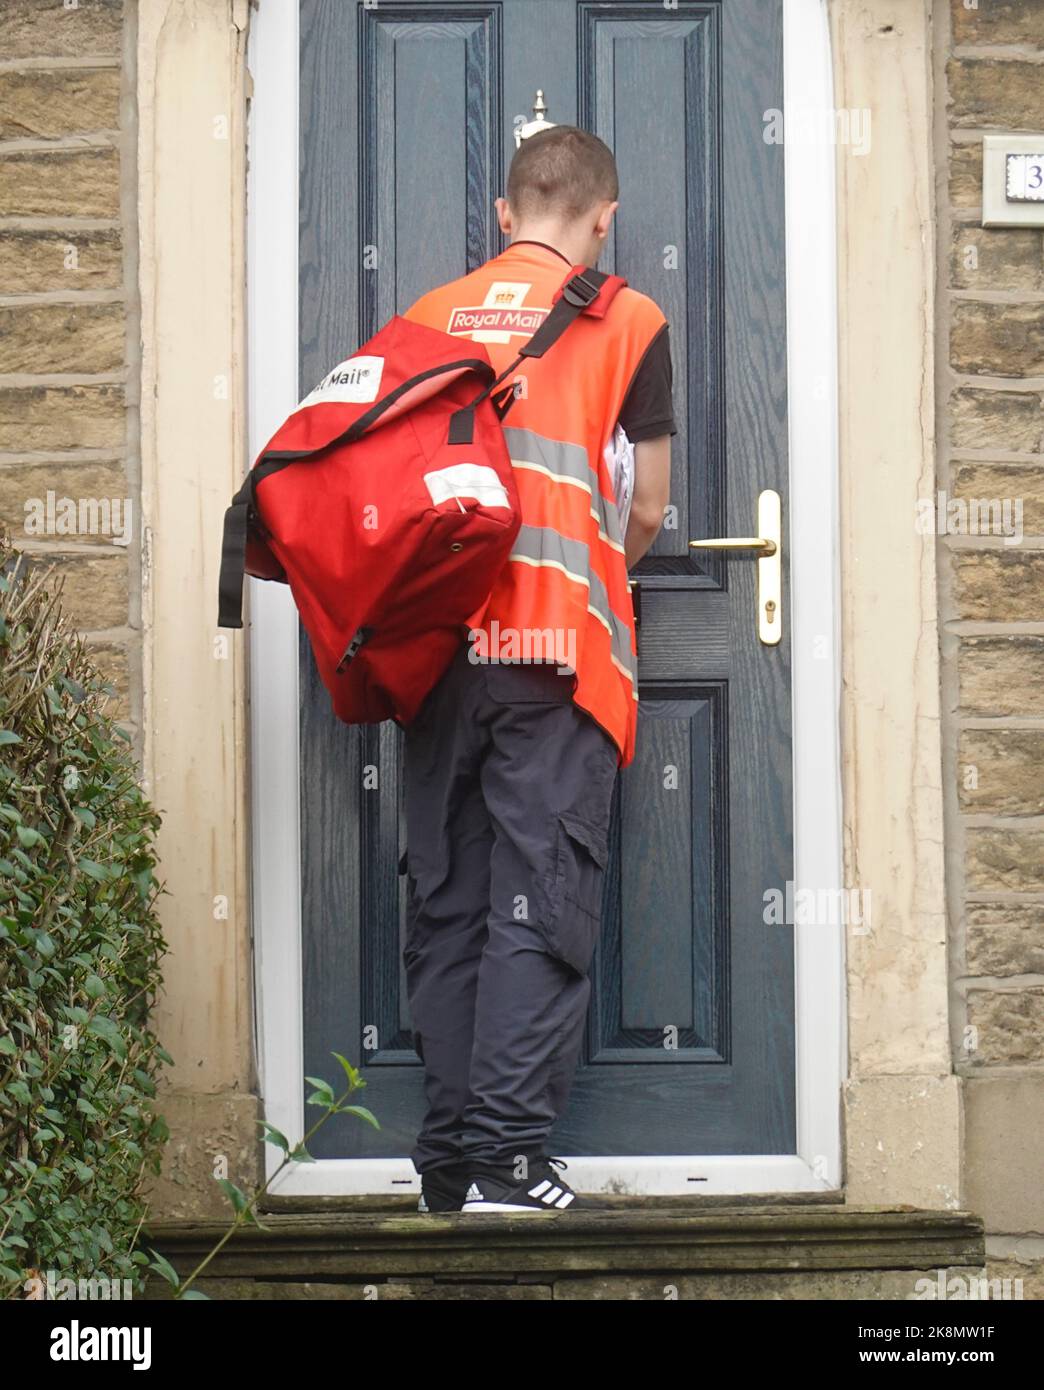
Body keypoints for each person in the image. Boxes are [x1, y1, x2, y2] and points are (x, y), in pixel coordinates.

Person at [399, 125, 675, 1213]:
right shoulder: (629, 319)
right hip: (554, 649)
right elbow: (646, 502)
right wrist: (604, 565)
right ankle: (512, 1155)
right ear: (604, 220)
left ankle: (447, 1160)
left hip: (436, 651)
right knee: (537, 896)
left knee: (454, 894)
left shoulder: (427, 313)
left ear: (505, 218)